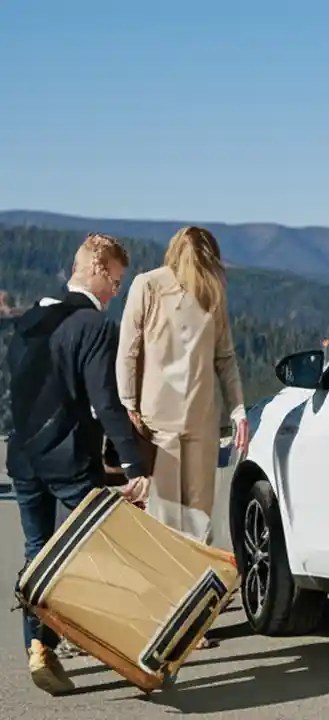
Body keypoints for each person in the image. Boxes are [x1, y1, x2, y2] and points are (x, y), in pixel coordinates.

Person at [5, 233, 152, 695]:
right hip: (70, 458)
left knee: (39, 552)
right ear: (98, 269)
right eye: (116, 281)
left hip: (24, 455)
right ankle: (125, 644)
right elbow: (105, 402)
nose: (116, 292)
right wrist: (133, 465)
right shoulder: (91, 326)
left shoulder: (29, 321)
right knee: (94, 551)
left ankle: (40, 647)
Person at [116, 226, 248, 555]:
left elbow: (128, 351)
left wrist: (129, 403)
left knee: (166, 517)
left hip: (157, 418)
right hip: (195, 418)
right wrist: (237, 409)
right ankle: (191, 584)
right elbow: (226, 358)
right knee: (195, 515)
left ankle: (171, 586)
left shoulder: (147, 285)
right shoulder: (210, 289)